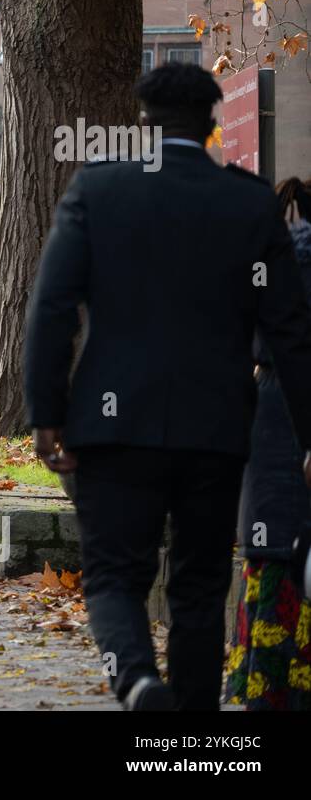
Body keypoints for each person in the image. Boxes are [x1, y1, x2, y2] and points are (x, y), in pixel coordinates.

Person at [25, 62, 311, 711]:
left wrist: (47, 414)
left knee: (114, 575)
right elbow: (289, 331)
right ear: (212, 124)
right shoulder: (249, 204)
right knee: (201, 588)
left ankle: (135, 679)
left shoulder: (97, 192)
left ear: (145, 124)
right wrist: (308, 438)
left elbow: (52, 308)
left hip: (113, 425)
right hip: (214, 430)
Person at [227, 178, 311, 710]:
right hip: (292, 426)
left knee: (271, 560)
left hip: (267, 422)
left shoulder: (267, 255)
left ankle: (264, 689)